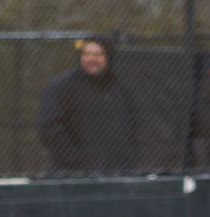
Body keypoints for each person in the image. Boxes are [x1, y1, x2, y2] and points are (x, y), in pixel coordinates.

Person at [36, 38, 138, 176]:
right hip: (71, 176)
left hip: (116, 173)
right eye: (86, 54)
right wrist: (74, 160)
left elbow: (134, 125)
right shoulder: (62, 86)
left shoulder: (122, 88)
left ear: (108, 57)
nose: (91, 59)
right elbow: (48, 126)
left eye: (97, 54)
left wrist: (127, 159)